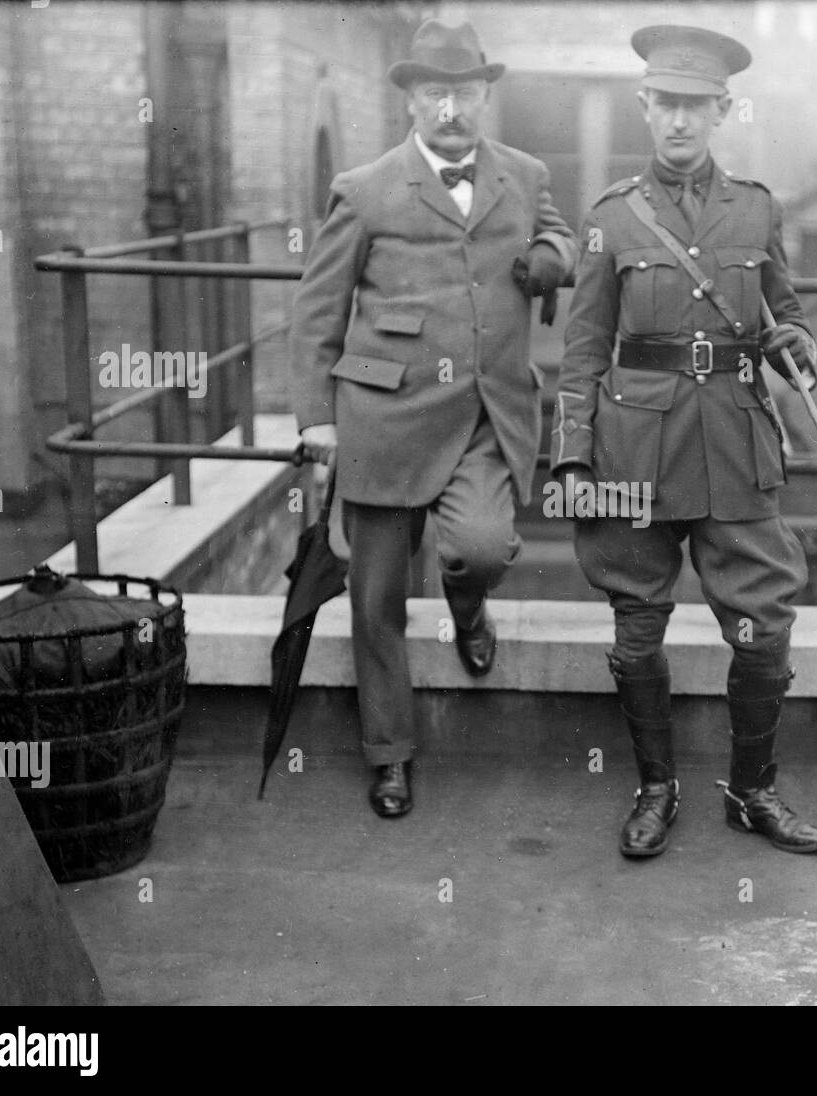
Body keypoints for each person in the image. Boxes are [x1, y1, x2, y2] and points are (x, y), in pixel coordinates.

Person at [550, 24, 817, 858]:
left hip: (735, 443)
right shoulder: (609, 219)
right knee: (639, 619)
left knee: (764, 620)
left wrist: (798, 347)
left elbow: (788, 308)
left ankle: (752, 792)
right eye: (665, 104)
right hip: (633, 449)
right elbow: (583, 347)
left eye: (695, 107)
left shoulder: (757, 207)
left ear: (722, 111)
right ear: (644, 108)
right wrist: (571, 451)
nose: (679, 121)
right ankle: (656, 788)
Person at [291, 19, 578, 819]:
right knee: (375, 600)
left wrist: (555, 258)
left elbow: (559, 231)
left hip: (486, 411)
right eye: (433, 94)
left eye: (464, 93)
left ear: (485, 96)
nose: (450, 109)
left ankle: (467, 601)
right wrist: (318, 420)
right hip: (383, 418)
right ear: (412, 101)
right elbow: (317, 314)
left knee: (482, 546)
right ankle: (389, 755)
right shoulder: (365, 188)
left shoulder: (524, 174)